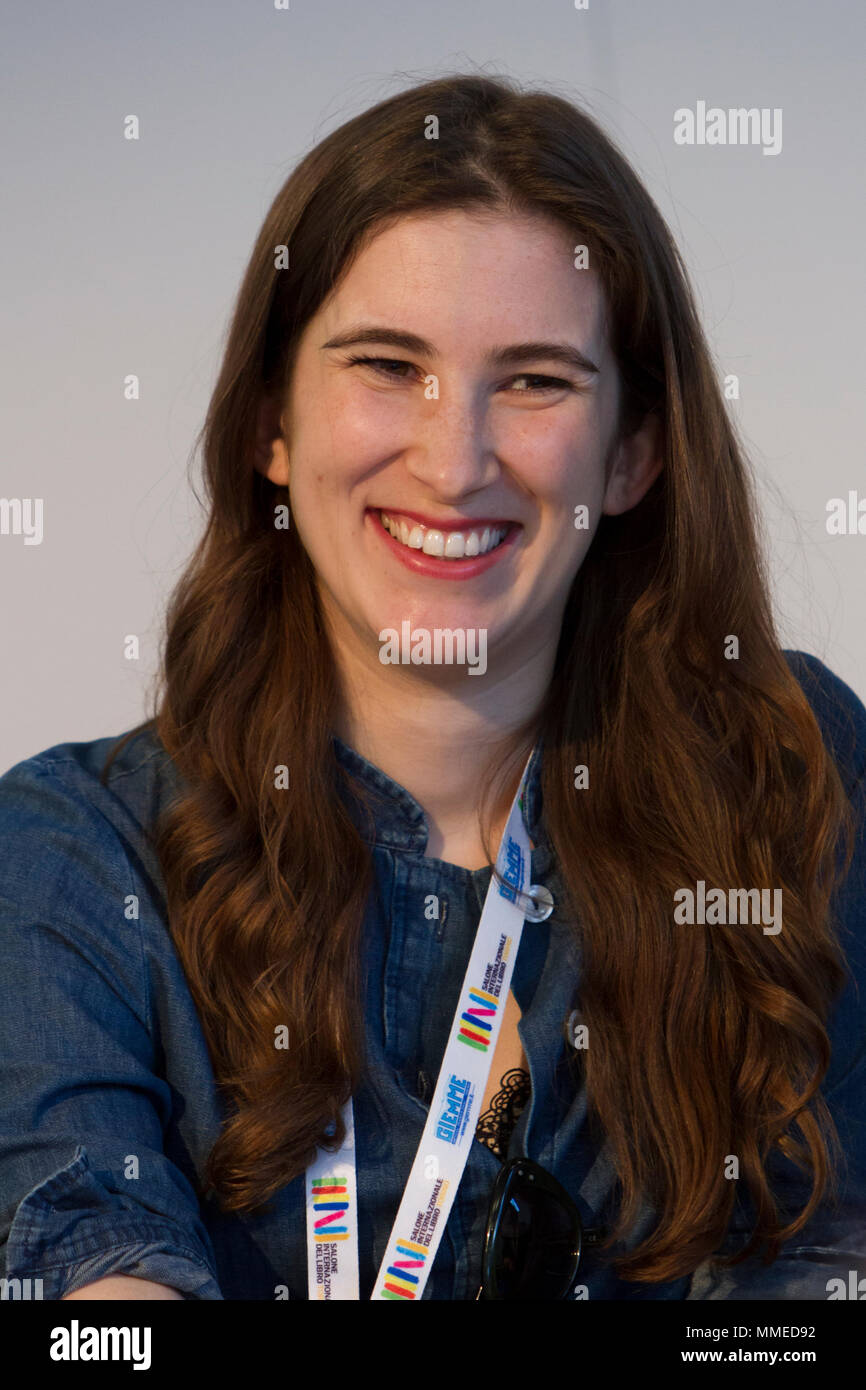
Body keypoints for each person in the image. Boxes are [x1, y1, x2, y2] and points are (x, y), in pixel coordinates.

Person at [1, 72, 864, 1302]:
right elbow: (100, 1315)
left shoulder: (794, 771)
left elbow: (820, 1279)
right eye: (386, 364)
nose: (452, 460)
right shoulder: (69, 857)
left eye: (534, 381)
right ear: (271, 430)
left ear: (631, 453)